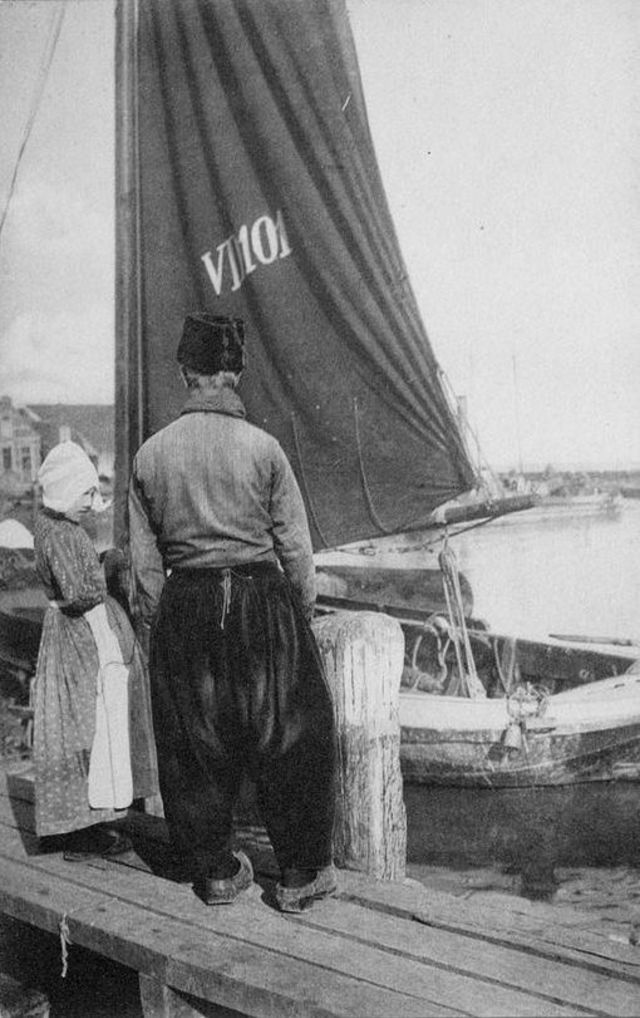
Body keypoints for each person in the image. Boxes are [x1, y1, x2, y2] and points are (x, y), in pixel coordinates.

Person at [128, 312, 337, 910]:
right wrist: (298, 617)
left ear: (184, 371)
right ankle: (299, 876)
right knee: (291, 734)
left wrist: (155, 626)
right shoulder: (265, 450)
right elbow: (297, 551)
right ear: (237, 372)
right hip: (262, 601)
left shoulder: (149, 457)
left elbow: (145, 571)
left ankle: (217, 872)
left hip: (187, 601)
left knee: (195, 740)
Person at [33, 441, 158, 859]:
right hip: (76, 637)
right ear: (67, 491)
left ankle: (75, 821)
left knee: (76, 726)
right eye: (85, 493)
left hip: (66, 633)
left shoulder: (51, 528)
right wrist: (111, 567)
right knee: (86, 724)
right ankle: (81, 827)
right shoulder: (63, 534)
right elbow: (81, 592)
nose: (92, 502)